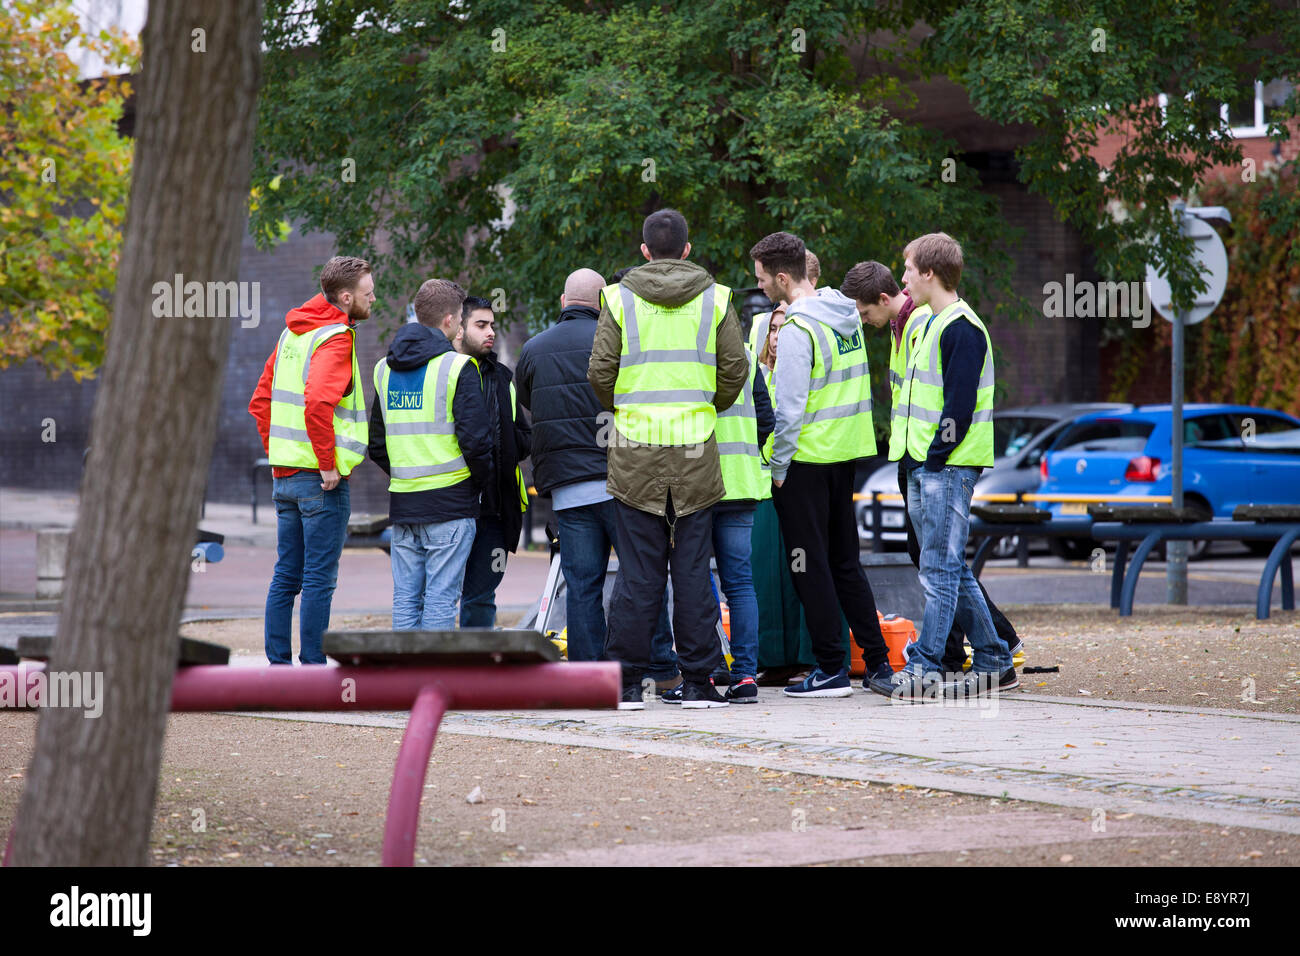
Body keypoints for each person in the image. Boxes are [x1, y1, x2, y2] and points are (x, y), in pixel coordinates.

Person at [588, 208, 748, 710]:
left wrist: (625, 407)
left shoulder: (616, 299)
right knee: (694, 571)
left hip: (635, 452)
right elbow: (735, 369)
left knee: (638, 573)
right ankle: (700, 682)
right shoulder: (718, 299)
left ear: (644, 251)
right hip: (697, 451)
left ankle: (628, 685)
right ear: (686, 249)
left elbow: (599, 371)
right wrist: (706, 406)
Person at [843, 259, 1023, 679]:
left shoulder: (948, 325)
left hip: (943, 463)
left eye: (907, 269)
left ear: (928, 274)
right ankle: (995, 653)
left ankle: (929, 662)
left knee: (938, 566)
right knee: (944, 564)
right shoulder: (925, 323)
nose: (902, 278)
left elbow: (956, 405)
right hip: (926, 460)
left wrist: (935, 457)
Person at [515, 269, 681, 689]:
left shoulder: (534, 349)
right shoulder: (622, 341)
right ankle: (660, 668)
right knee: (642, 576)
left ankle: (589, 679)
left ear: (562, 301)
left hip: (569, 489)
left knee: (583, 585)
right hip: (624, 483)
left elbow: (530, 403)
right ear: (605, 301)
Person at [751, 231, 892, 697]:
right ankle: (877, 663)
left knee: (807, 567)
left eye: (763, 280)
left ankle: (831, 667)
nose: (761, 288)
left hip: (806, 461)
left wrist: (777, 467)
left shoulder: (797, 328)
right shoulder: (843, 312)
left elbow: (789, 410)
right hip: (844, 456)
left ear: (783, 277)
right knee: (846, 563)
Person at [249, 256, 373, 665]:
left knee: (285, 577)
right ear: (345, 297)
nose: (374, 299)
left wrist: (278, 454)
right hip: (321, 483)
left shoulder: (291, 334)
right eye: (368, 294)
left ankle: (279, 667)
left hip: (284, 477)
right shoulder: (335, 337)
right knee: (319, 580)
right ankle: (313, 671)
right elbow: (318, 401)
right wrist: (326, 464)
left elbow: (260, 402)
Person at [367, 278, 493, 629]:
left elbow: (376, 443)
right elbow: (477, 444)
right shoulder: (458, 368)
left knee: (405, 600)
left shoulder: (383, 369)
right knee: (440, 600)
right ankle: (431, 682)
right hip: (451, 505)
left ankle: (406, 683)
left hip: (405, 505)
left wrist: (408, 472)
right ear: (451, 320)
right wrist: (476, 485)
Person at [454, 295, 532, 627]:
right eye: (481, 325)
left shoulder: (502, 377)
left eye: (492, 326)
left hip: (497, 509)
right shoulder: (444, 373)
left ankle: (475, 672)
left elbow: (523, 437)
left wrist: (499, 447)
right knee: (440, 594)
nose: (490, 333)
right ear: (458, 328)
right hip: (452, 503)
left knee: (481, 596)